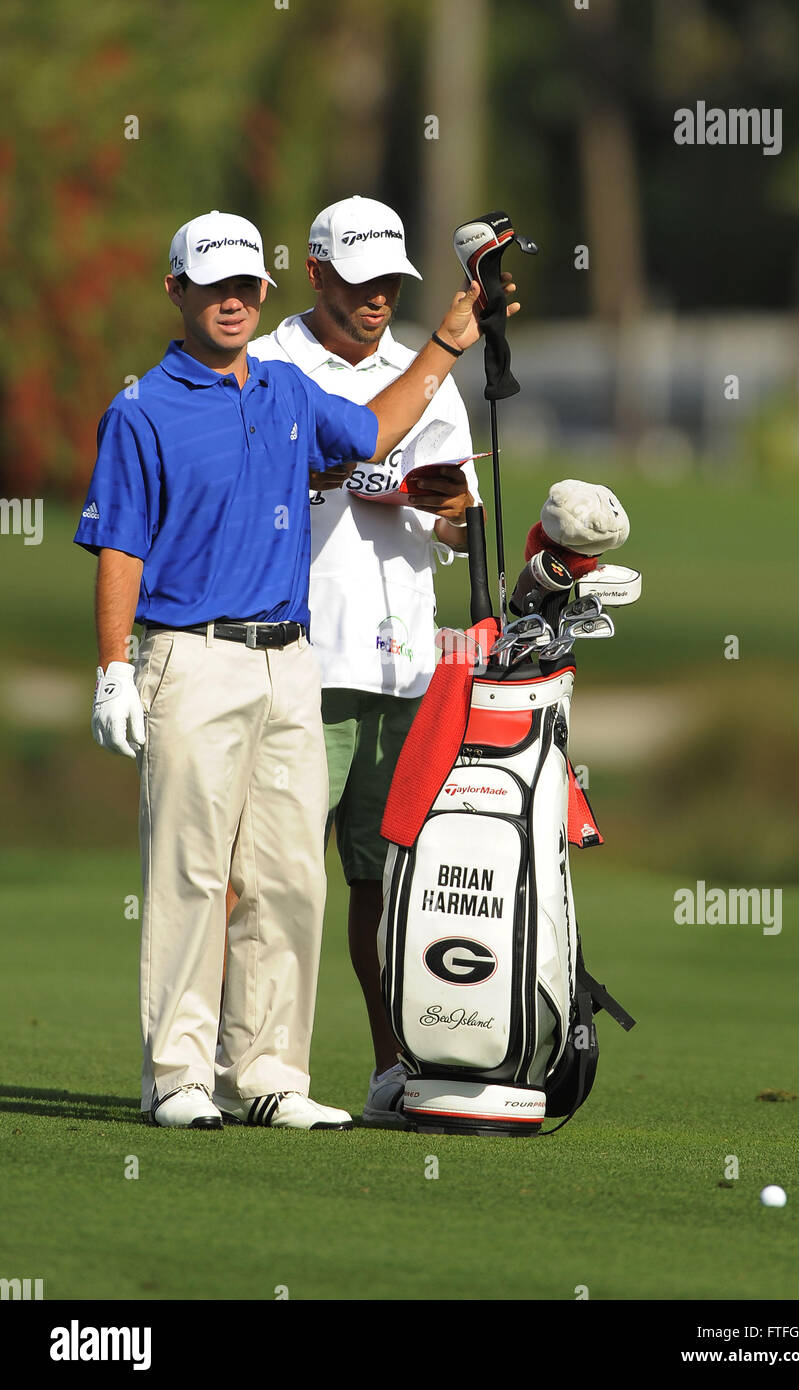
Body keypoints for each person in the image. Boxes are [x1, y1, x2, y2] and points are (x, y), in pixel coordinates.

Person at [75, 208, 503, 1131]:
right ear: (177, 292)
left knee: (287, 879)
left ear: (262, 292)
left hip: (287, 663)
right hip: (189, 657)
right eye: (214, 287)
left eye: (243, 289)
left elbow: (372, 433)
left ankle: (269, 1076)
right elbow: (119, 547)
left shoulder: (280, 391)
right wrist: (113, 666)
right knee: (192, 873)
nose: (231, 303)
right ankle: (179, 1076)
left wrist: (444, 346)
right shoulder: (141, 407)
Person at [248, 196, 493, 1127]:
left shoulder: (422, 374)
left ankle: (392, 1068)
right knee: (277, 879)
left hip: (407, 664)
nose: (377, 299)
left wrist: (452, 517)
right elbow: (282, 476)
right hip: (302, 655)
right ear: (316, 274)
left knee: (382, 885)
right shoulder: (269, 366)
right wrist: (358, 471)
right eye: (359, 282)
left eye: (390, 281)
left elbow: (456, 520)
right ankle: (267, 1069)